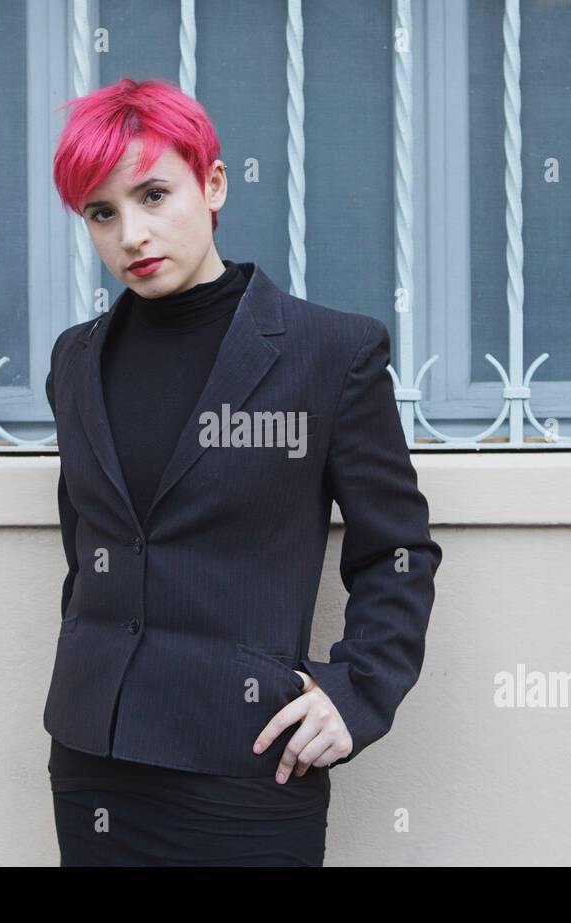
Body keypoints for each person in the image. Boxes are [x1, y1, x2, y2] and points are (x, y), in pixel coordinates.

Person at [43, 77, 440, 866]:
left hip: (246, 763)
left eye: (155, 194)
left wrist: (357, 694)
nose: (132, 233)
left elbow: (396, 552)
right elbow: (86, 543)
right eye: (102, 213)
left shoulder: (331, 354)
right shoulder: (76, 359)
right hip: (94, 763)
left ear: (213, 184)